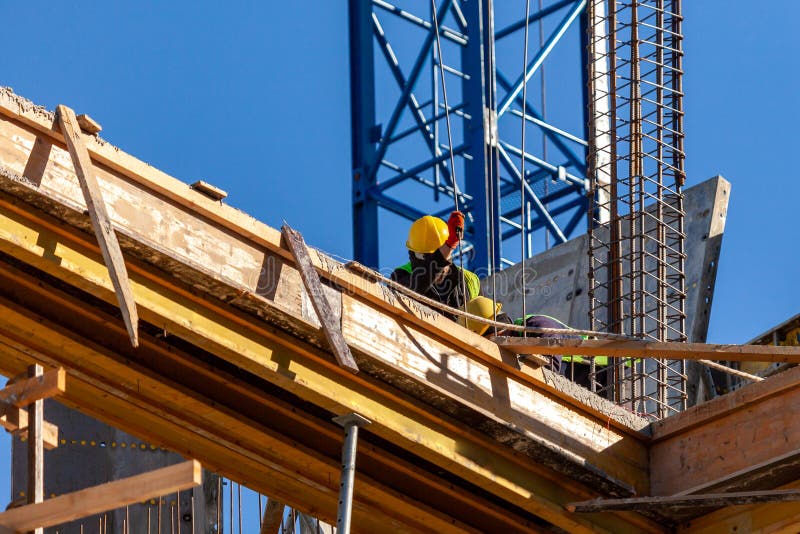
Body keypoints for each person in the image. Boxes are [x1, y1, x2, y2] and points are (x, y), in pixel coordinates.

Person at [391, 212, 480, 319]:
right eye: (425, 256)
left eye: (439, 254)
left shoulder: (469, 280)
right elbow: (417, 285)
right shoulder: (401, 276)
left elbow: (487, 315)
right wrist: (449, 245)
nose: (436, 260)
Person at [458, 296, 568, 374]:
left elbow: (550, 372)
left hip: (580, 376)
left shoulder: (538, 325)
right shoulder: (518, 335)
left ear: (495, 335)